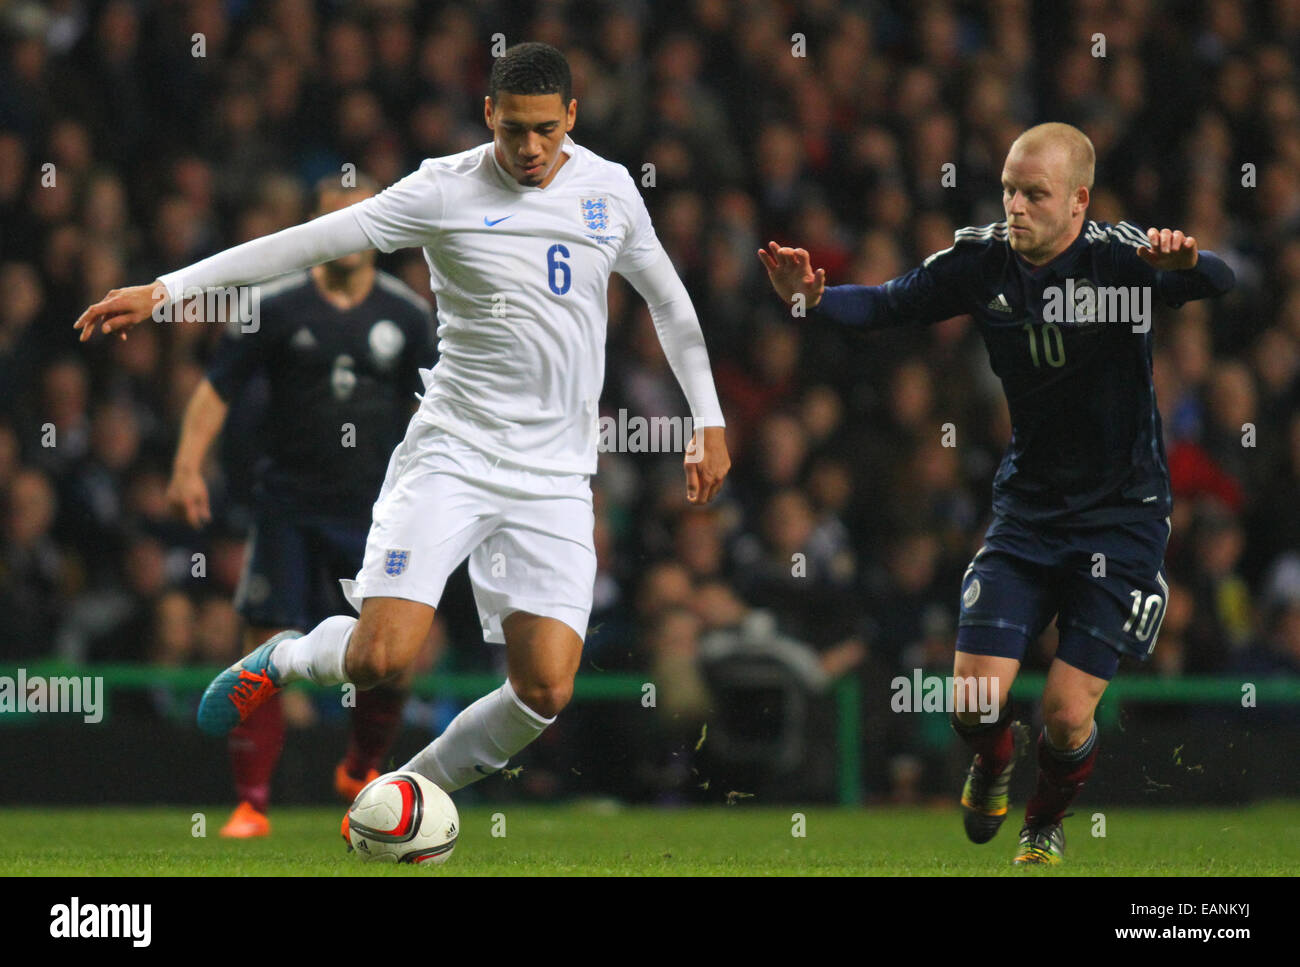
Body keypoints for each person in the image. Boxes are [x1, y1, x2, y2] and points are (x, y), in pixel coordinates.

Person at [76, 42, 730, 819]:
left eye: (546, 131)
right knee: (380, 658)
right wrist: (170, 287)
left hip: (555, 477)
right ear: (488, 114)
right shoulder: (442, 190)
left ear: (573, 119)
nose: (529, 148)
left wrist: (709, 418)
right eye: (513, 129)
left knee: (546, 688)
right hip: (452, 454)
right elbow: (308, 243)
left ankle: (400, 795)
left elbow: (671, 303)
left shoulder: (611, 190)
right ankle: (284, 655)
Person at [759, 122, 1234, 865]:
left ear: (1078, 201)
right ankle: (991, 758)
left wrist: (1192, 261)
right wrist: (811, 300)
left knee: (1068, 714)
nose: (1014, 204)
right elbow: (886, 305)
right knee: (973, 703)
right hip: (1030, 511)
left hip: (1121, 516)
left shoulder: (1118, 260)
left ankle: (1044, 818)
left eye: (1033, 193)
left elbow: (1225, 282)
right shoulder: (982, 261)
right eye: (1009, 187)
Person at [166, 176, 436, 837]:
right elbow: (215, 389)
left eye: (359, 218)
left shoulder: (405, 315)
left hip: (377, 508)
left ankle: (362, 762)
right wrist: (186, 464)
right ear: (315, 227)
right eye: (332, 218)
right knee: (262, 644)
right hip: (286, 500)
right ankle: (252, 801)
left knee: (394, 652)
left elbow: (436, 406)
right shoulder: (274, 307)